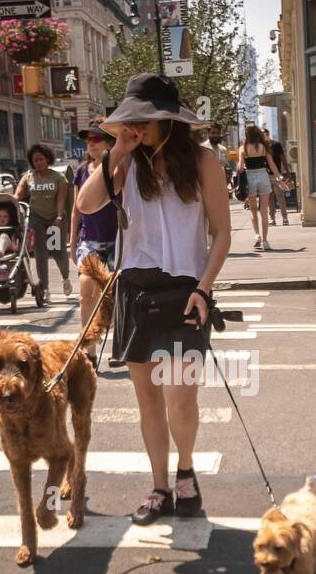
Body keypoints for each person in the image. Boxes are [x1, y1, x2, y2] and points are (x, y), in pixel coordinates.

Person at [76, 73, 231, 524]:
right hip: (136, 290)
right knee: (147, 400)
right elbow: (86, 205)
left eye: (145, 118)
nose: (138, 126)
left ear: (167, 119)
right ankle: (159, 486)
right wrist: (118, 150)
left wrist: (205, 288)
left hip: (185, 291)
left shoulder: (203, 161)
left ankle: (186, 472)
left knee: (181, 399)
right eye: (131, 118)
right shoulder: (126, 162)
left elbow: (221, 233)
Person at [70, 122, 119, 365]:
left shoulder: (119, 168)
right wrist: (71, 241)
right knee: (86, 291)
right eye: (88, 140)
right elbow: (76, 210)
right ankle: (88, 350)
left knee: (119, 296)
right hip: (89, 241)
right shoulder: (81, 171)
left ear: (110, 143)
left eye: (96, 139)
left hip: (119, 241)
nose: (90, 144)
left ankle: (120, 346)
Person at [14, 144, 70, 303]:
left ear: (47, 159)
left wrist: (59, 217)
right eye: (35, 160)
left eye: (41, 159)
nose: (38, 162)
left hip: (54, 220)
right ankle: (45, 289)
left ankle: (65, 278)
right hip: (36, 219)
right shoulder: (28, 177)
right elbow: (18, 194)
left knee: (57, 253)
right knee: (40, 255)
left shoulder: (59, 177)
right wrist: (12, 201)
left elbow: (61, 200)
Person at [235, 124, 281, 251]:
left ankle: (257, 236)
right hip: (263, 176)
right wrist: (279, 179)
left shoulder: (242, 148)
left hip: (250, 178)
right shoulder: (263, 147)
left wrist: (239, 163)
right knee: (264, 211)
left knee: (253, 210)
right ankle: (265, 241)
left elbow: (240, 168)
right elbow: (272, 165)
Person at [267, 139, 291, 227]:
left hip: (276, 175)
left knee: (280, 197)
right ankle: (272, 219)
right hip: (266, 175)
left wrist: (287, 171)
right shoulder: (262, 145)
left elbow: (282, 158)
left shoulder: (276, 144)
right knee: (270, 198)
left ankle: (285, 218)